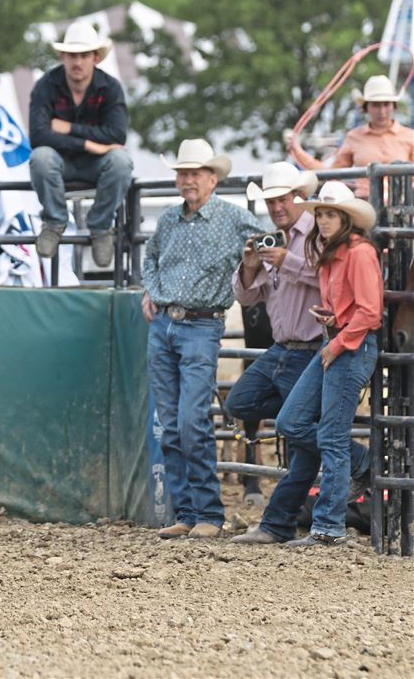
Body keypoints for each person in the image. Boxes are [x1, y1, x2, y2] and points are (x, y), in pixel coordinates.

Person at [232, 181, 381, 546]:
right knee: (292, 421)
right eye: (322, 214)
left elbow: (370, 312)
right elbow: (355, 308)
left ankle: (328, 528)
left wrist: (339, 340)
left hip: (348, 346)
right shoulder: (332, 254)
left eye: (331, 214)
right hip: (336, 343)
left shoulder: (359, 253)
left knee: (323, 433)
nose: (325, 220)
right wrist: (330, 319)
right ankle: (361, 463)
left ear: (345, 218)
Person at [141, 139, 261, 539]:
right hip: (166, 322)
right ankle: (188, 512)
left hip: (201, 324)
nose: (187, 180)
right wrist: (153, 291)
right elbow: (150, 258)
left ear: (212, 179)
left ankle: (208, 512)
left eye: (194, 174)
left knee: (191, 419)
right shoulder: (169, 220)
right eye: (182, 173)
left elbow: (268, 243)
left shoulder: (233, 218)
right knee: (172, 423)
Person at [223, 162, 345, 503]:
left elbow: (329, 278)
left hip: (309, 348)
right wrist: (248, 268)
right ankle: (330, 437)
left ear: (299, 197)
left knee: (292, 430)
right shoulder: (278, 240)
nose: (276, 207)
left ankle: (292, 510)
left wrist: (283, 262)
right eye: (270, 201)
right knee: (240, 402)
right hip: (283, 349)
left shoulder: (320, 233)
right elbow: (248, 296)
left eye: (283, 200)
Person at [28, 21, 132, 268]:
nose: (78, 62)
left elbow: (117, 134)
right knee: (40, 157)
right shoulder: (45, 86)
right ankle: (54, 222)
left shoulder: (111, 88)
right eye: (73, 55)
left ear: (95, 58)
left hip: (94, 163)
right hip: (62, 162)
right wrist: (89, 144)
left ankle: (101, 227)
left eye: (84, 55)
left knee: (121, 162)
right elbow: (38, 136)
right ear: (63, 56)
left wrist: (69, 129)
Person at [288, 75, 414, 199]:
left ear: (393, 106)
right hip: (366, 206)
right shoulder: (354, 137)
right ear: (366, 107)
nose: (382, 111)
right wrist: (298, 151)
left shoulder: (410, 136)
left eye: (386, 104)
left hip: (402, 207)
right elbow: (331, 174)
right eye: (376, 105)